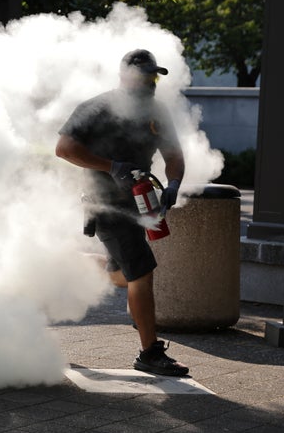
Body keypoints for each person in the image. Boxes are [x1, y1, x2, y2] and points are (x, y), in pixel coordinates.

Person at [55, 48, 188, 376]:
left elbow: (174, 155)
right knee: (142, 270)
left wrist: (172, 185)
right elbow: (64, 149)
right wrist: (111, 166)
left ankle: (72, 265)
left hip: (140, 200)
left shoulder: (157, 111)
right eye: (144, 76)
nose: (150, 82)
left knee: (123, 274)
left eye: (154, 76)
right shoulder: (96, 108)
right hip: (105, 203)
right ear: (125, 76)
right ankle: (149, 353)